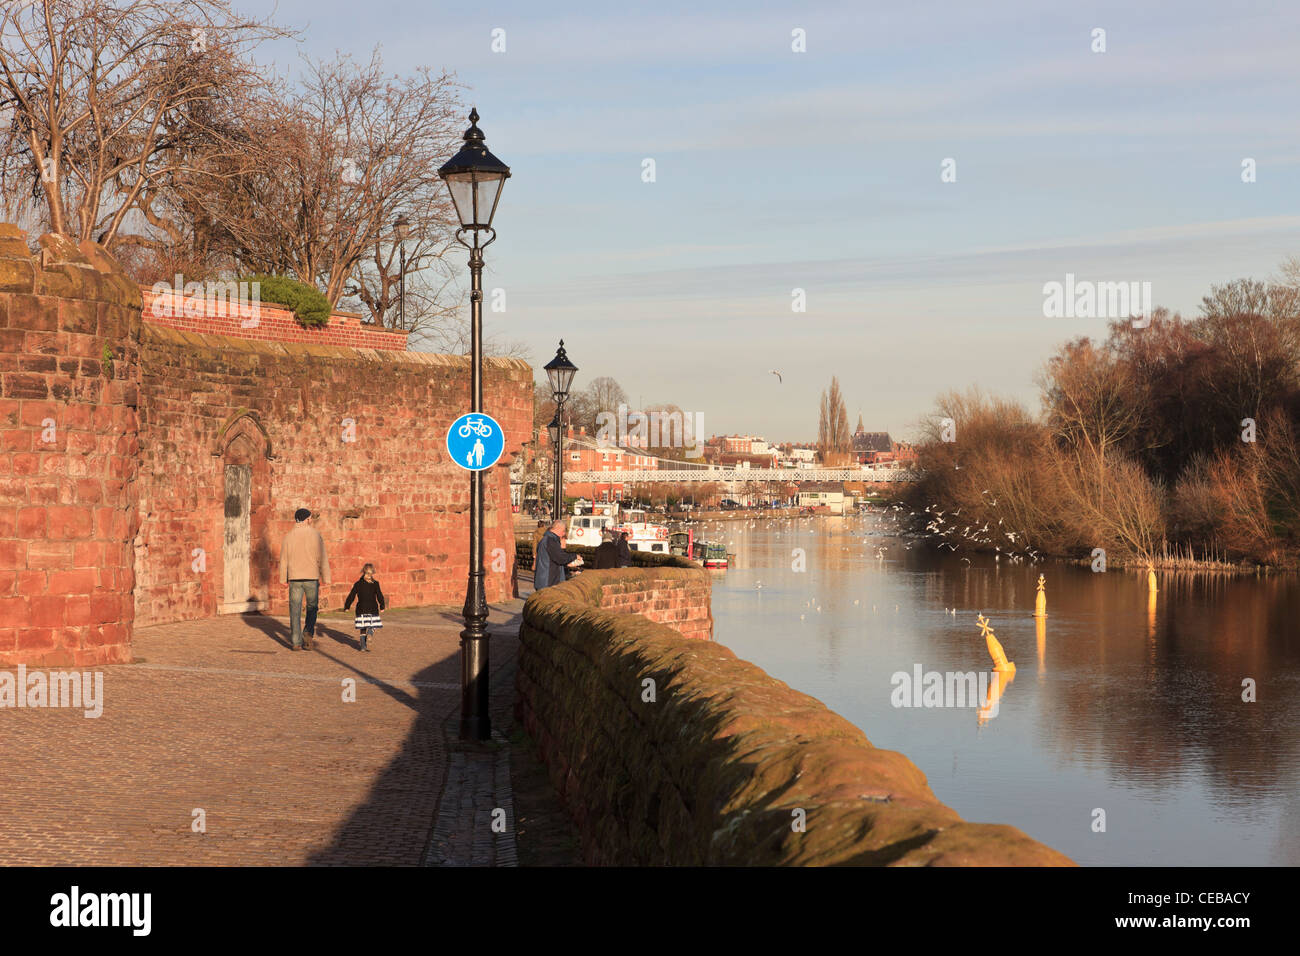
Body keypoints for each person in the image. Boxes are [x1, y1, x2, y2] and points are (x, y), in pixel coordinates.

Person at [279, 507, 330, 650]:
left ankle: (296, 641)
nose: (311, 520)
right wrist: (325, 576)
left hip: (294, 578)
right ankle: (308, 634)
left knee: (294, 609)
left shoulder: (288, 536)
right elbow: (322, 557)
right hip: (311, 577)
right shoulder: (315, 535)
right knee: (312, 607)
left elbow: (283, 559)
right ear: (307, 519)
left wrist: (283, 578)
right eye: (310, 518)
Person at [344, 563, 386, 652]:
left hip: (361, 608)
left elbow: (351, 595)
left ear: (363, 572)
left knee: (363, 628)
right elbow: (379, 595)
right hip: (372, 608)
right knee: (373, 624)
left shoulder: (358, 584)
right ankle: (370, 633)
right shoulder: (375, 584)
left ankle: (363, 646)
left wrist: (347, 606)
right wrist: (382, 606)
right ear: (372, 573)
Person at [533, 519, 582, 590]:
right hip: (548, 582)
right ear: (558, 529)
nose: (564, 534)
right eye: (563, 531)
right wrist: (575, 556)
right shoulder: (550, 541)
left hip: (543, 580)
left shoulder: (545, 539)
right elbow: (561, 558)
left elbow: (555, 558)